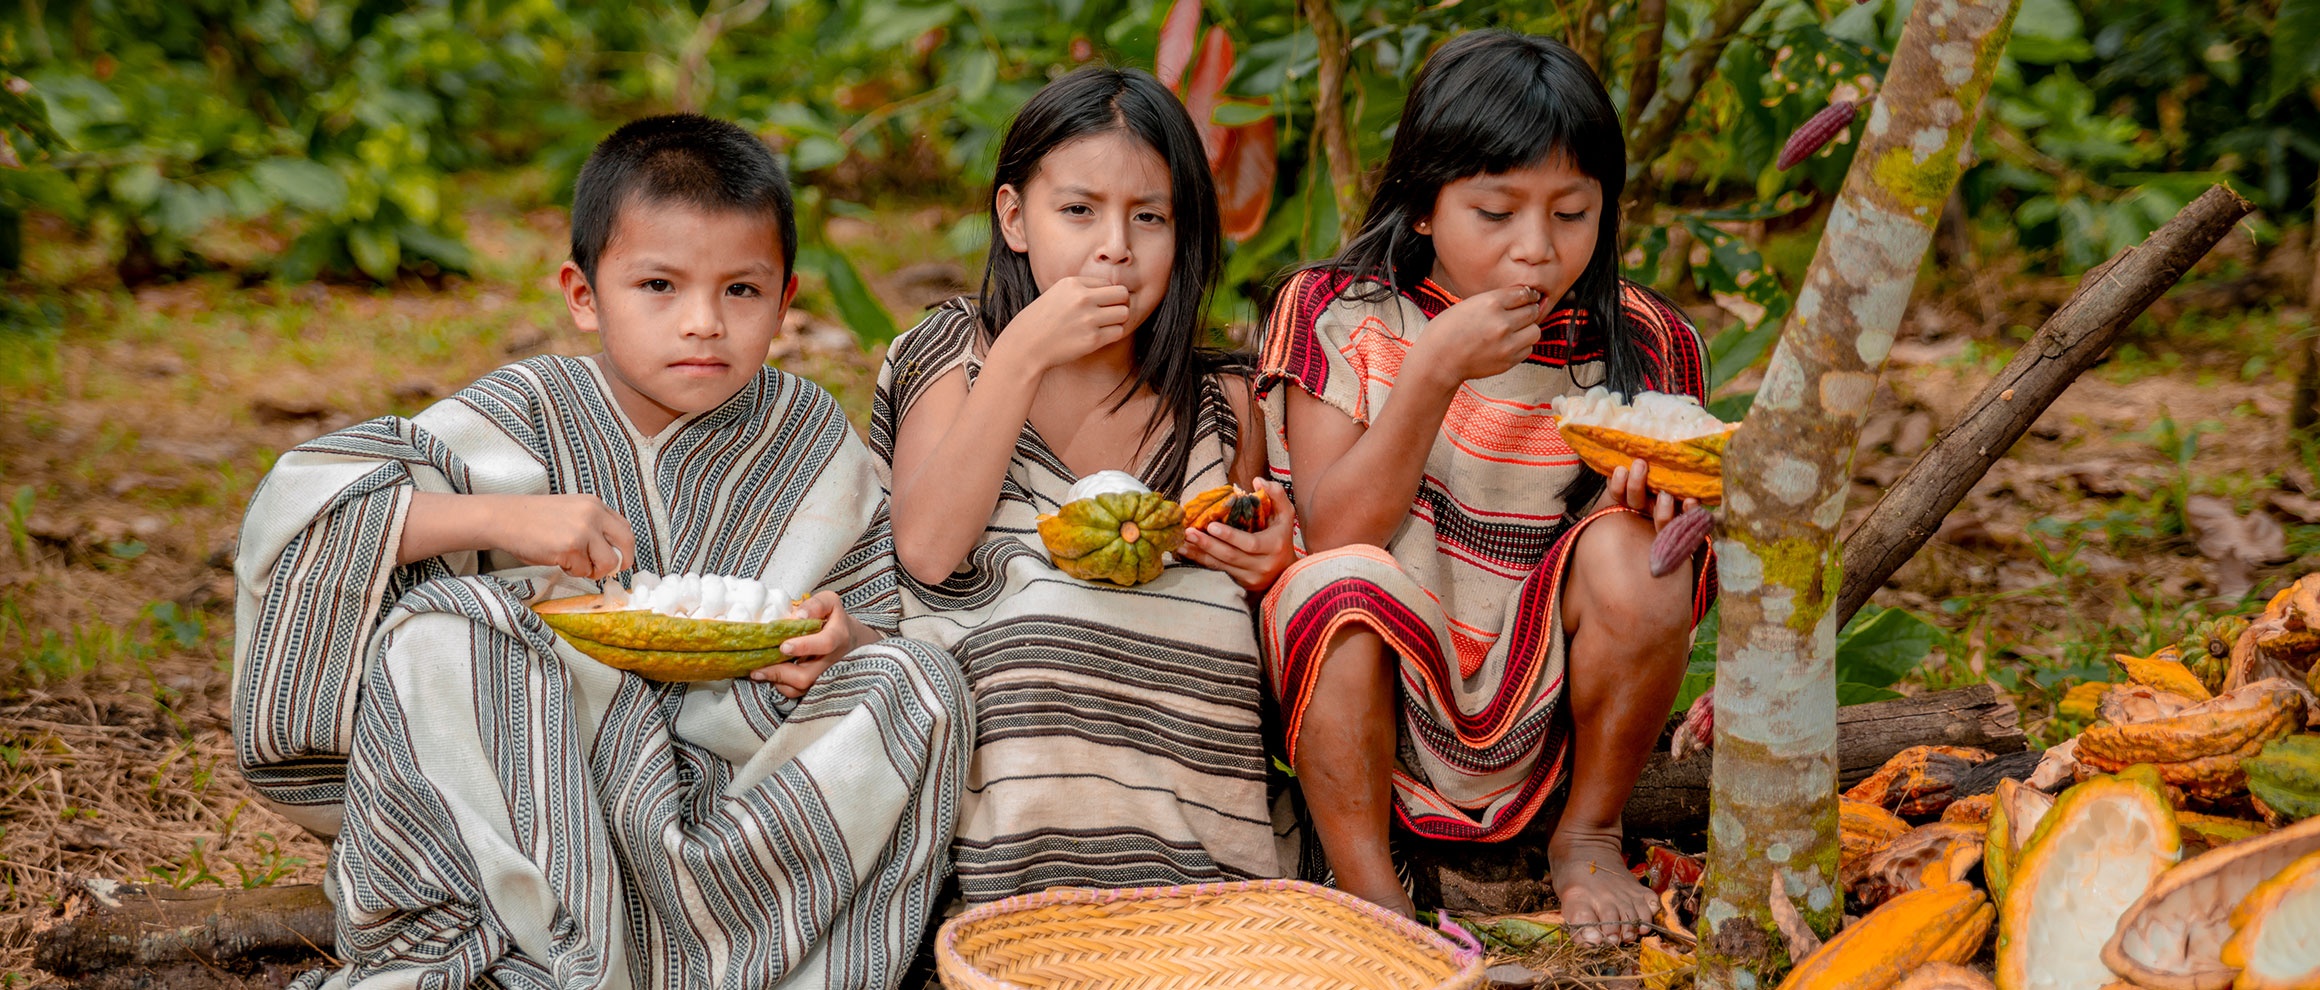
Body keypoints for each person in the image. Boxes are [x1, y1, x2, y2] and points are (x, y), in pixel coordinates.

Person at [231, 114, 967, 988]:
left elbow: (878, 609)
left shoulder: (803, 431)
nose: (703, 323)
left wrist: (841, 642)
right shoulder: (532, 403)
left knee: (921, 686)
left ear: (786, 296)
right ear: (584, 295)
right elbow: (302, 508)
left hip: (744, 789)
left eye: (741, 291)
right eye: (659, 285)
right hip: (548, 777)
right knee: (441, 632)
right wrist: (500, 521)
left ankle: (757, 965)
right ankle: (553, 952)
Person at [1254, 32, 1715, 945]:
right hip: (1365, 663)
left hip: (1542, 680)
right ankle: (1373, 897)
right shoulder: (1338, 311)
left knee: (1643, 559)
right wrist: (1433, 371)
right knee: (1334, 581)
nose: (1535, 251)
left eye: (1572, 213)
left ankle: (1587, 831)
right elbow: (1338, 526)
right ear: (1423, 206)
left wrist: (1666, 508)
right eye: (1495, 212)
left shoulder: (1645, 341)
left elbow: (1673, 540)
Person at [869, 66, 1297, 903]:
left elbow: (1257, 597)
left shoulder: (1224, 402)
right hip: (1004, 828)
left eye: (1149, 218)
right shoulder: (953, 353)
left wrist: (1268, 559)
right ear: (1014, 218)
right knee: (1044, 625)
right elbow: (925, 550)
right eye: (1079, 210)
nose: (1115, 247)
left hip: (1201, 862)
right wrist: (1024, 353)